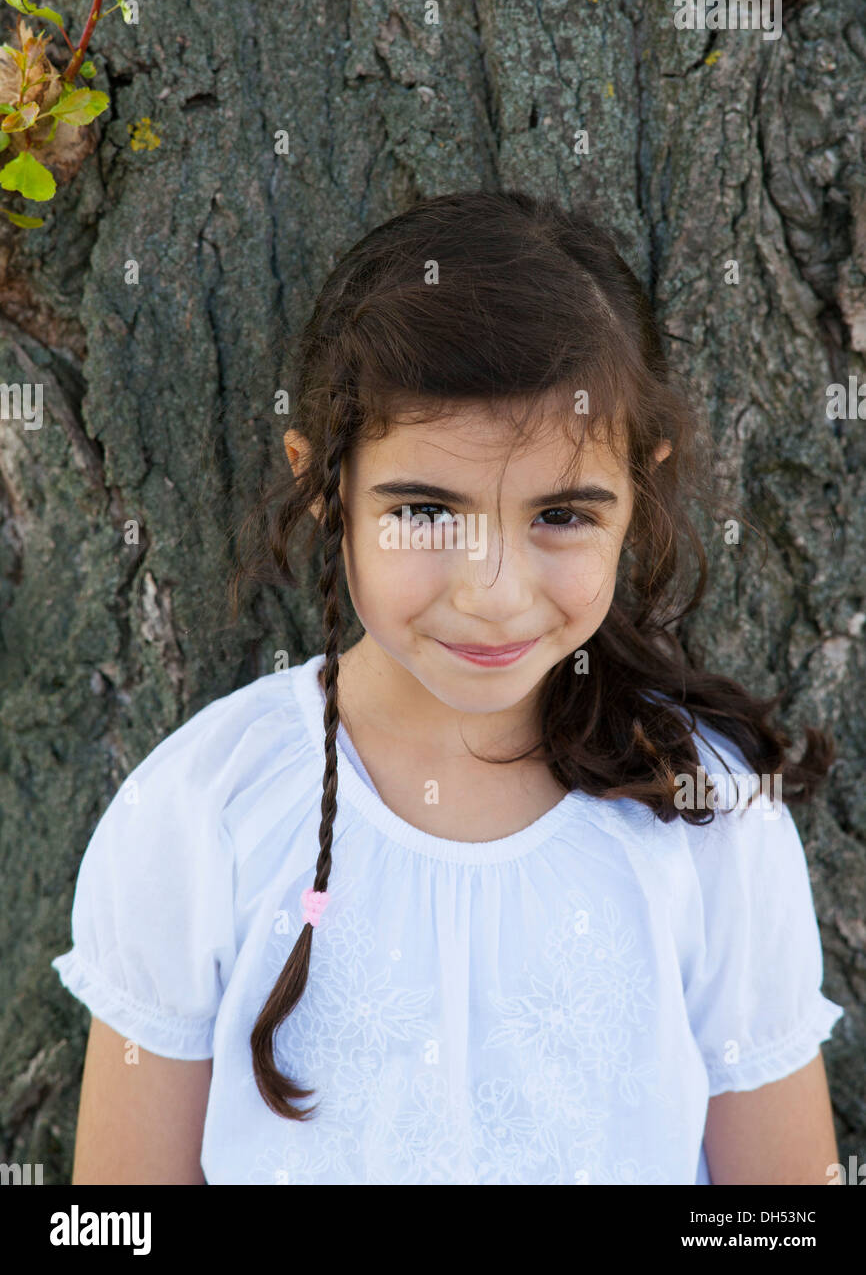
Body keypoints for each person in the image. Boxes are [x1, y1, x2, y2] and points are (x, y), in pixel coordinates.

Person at [53, 189, 845, 1184]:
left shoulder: (706, 813)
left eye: (560, 514)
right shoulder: (199, 811)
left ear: (637, 492)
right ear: (322, 486)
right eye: (425, 510)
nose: (493, 591)